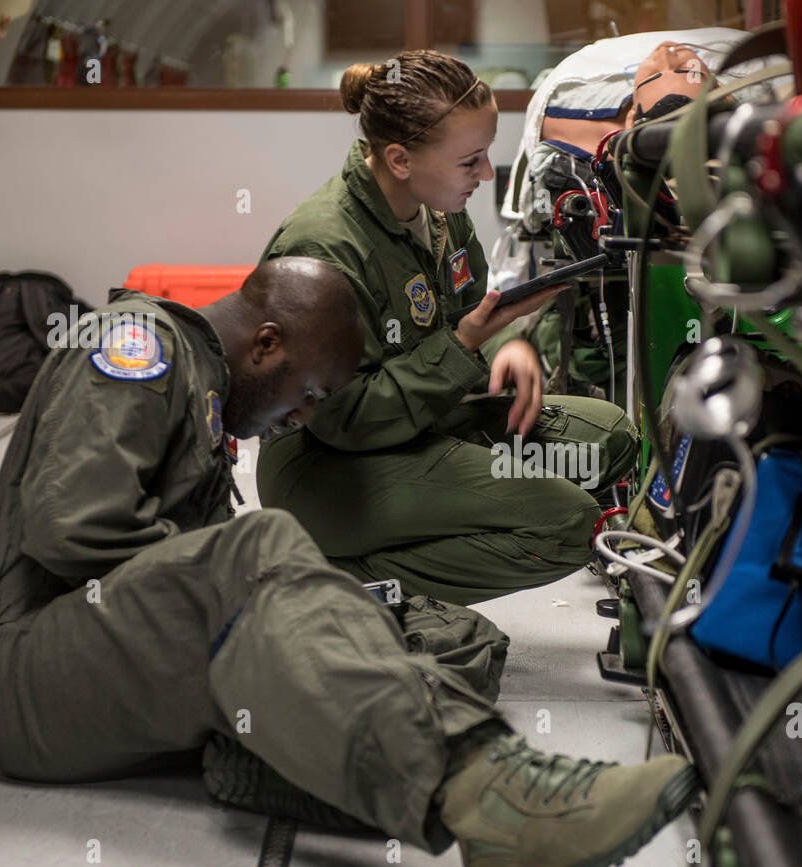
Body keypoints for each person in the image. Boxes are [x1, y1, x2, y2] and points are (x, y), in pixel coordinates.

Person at [0, 257, 697, 867]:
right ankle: (500, 806)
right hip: (28, 671)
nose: (303, 415)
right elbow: (74, 529)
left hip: (119, 650)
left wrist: (315, 600)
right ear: (266, 343)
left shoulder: (201, 384)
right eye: (309, 393)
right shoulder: (135, 345)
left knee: (442, 631)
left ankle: (277, 755)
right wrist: (260, 577)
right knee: (263, 550)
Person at [255, 50, 641, 606]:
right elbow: (345, 422)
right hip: (327, 465)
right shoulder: (322, 250)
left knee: (611, 436)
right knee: (567, 524)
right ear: (400, 159)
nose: (486, 175)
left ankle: (396, 540)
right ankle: (340, 584)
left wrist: (508, 346)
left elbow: (470, 308)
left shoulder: (437, 211)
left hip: (423, 420)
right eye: (471, 161)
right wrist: (465, 346)